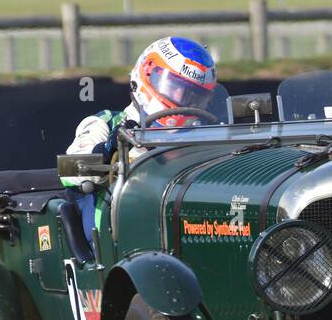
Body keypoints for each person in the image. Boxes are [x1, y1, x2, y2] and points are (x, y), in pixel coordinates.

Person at [61, 36, 218, 250]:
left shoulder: (205, 134)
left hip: (188, 233)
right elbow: (69, 171)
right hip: (116, 241)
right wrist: (109, 149)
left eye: (195, 96)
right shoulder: (105, 123)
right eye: (175, 87)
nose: (183, 100)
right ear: (147, 74)